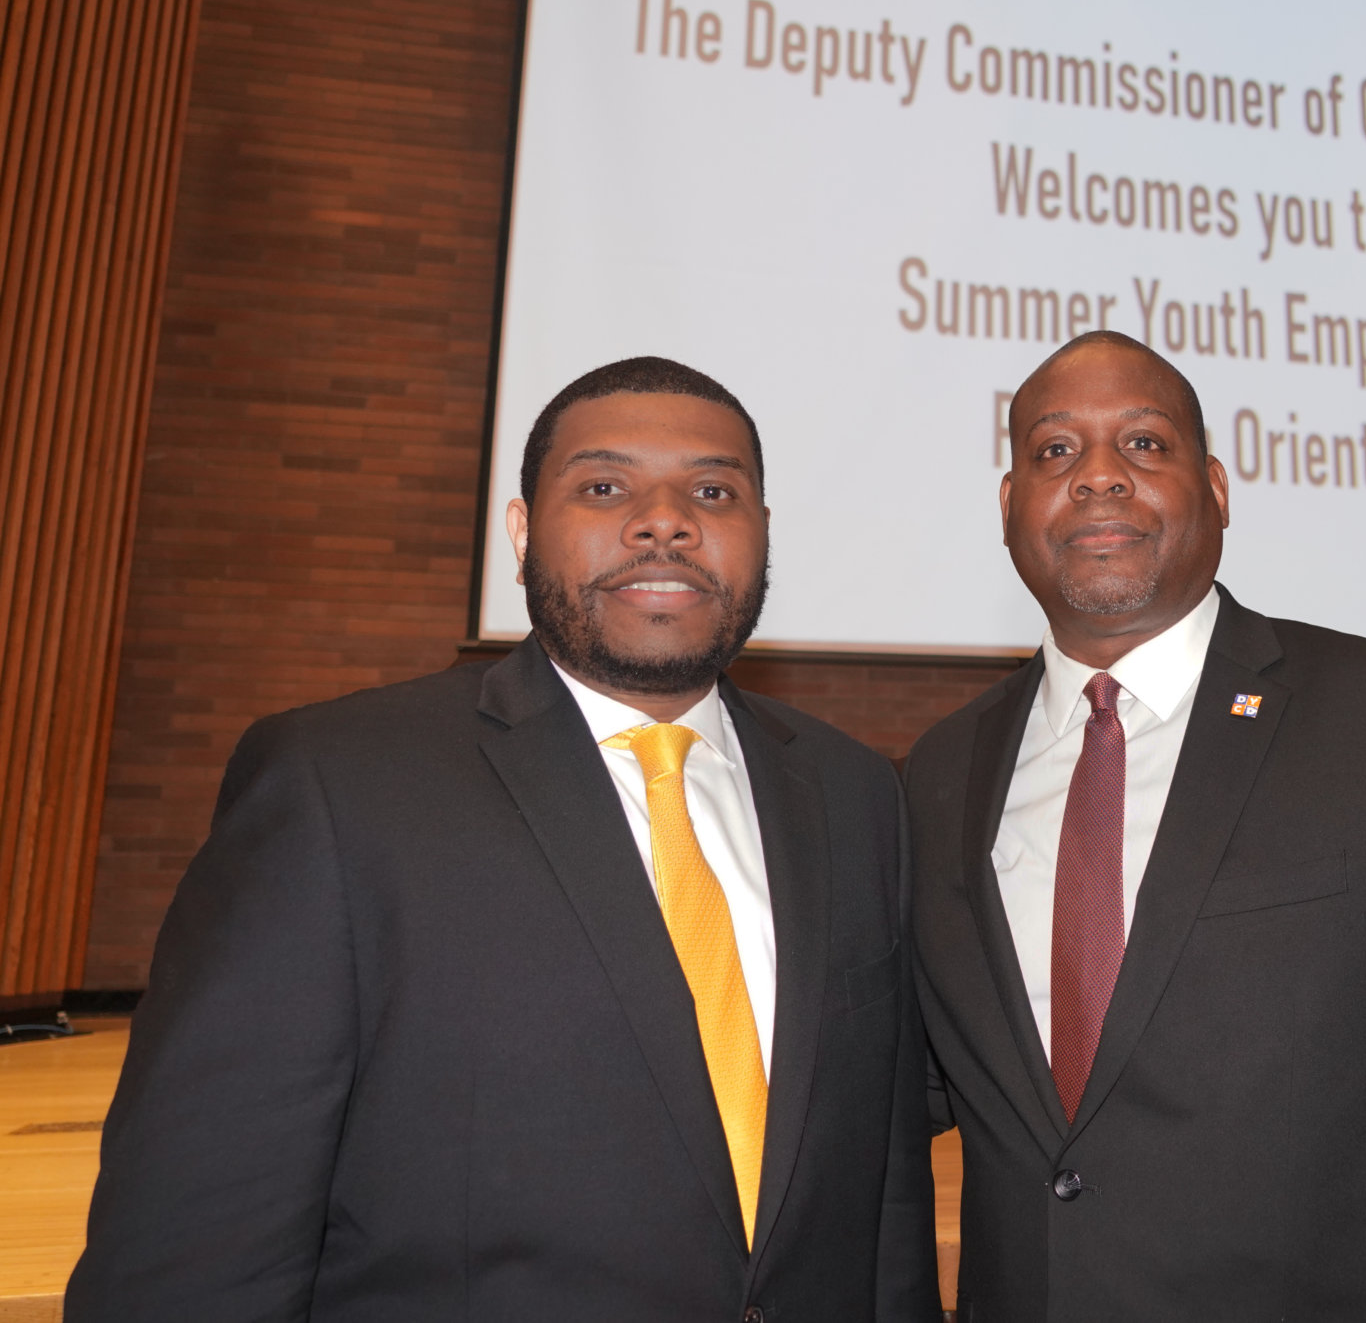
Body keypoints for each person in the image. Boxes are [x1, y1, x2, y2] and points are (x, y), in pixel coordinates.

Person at [72, 357, 941, 1323]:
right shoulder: (338, 784)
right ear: (522, 534)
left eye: (713, 490)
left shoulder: (857, 796)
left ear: (763, 534)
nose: (665, 519)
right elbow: (198, 1238)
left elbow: (886, 1185)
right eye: (605, 487)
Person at [905, 331, 1366, 1323]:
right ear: (1008, 507)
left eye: (1142, 445)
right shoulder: (937, 774)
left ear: (1214, 487)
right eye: (1053, 452)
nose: (1095, 479)